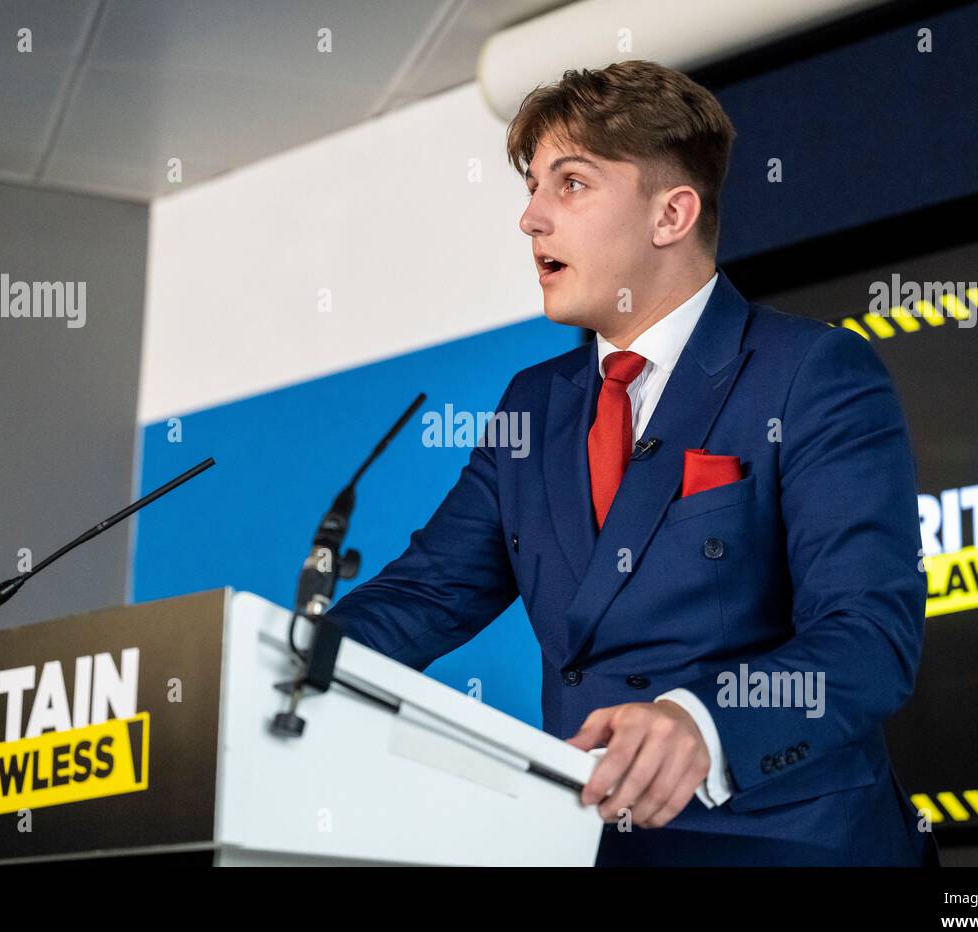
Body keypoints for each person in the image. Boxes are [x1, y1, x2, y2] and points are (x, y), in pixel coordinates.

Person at [327, 60, 936, 866]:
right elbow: (427, 591)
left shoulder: (813, 372)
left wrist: (704, 723)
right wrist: (280, 662)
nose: (531, 219)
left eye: (571, 184)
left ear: (671, 213)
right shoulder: (531, 405)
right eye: (533, 186)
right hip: (592, 851)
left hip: (790, 846)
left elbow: (868, 639)